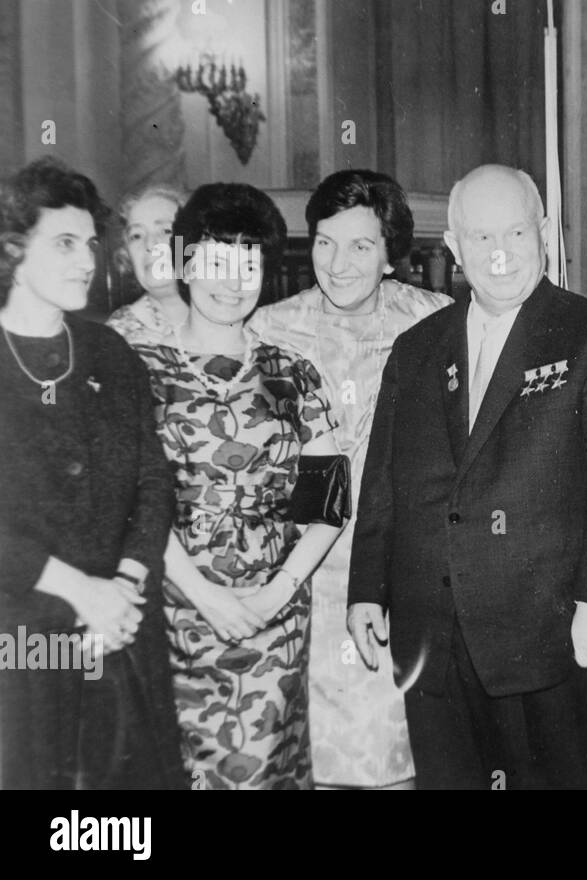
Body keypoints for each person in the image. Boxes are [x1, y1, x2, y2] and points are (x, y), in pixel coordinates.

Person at [348, 164, 587, 789]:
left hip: (543, 632)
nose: (500, 253)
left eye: (516, 233)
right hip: (431, 633)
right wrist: (366, 588)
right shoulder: (417, 346)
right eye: (481, 238)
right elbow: (383, 478)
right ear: (453, 248)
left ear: (545, 233)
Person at [132, 182, 348, 790]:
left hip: (275, 622)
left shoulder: (292, 373)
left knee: (264, 772)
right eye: (216, 259)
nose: (232, 280)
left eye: (248, 262)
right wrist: (208, 598)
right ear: (184, 262)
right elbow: (136, 506)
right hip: (179, 619)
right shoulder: (141, 372)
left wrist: (276, 594)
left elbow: (328, 503)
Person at [248, 169, 452, 789]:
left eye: (361, 246)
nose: (337, 264)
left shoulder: (436, 323)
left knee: (394, 753)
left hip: (395, 568)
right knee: (314, 754)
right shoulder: (269, 329)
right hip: (304, 571)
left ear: (392, 256)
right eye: (324, 242)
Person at [0, 157, 183, 789]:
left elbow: (154, 483)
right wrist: (83, 594)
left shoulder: (110, 351)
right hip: (24, 643)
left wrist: (125, 587)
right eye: (65, 243)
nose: (88, 260)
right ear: (13, 250)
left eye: (91, 243)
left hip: (126, 629)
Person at [106, 184, 189, 346]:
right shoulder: (117, 336)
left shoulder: (234, 313)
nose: (150, 244)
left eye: (166, 231)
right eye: (136, 236)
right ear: (127, 255)